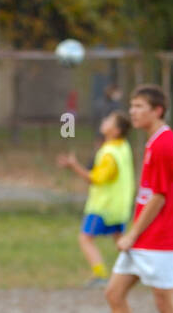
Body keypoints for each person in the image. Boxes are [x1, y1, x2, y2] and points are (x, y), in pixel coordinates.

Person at [94, 85, 173, 313]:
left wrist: (132, 233)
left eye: (139, 106)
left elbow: (159, 197)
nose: (132, 111)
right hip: (143, 239)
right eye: (131, 106)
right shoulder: (153, 141)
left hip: (159, 240)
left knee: (164, 304)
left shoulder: (164, 144)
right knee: (114, 293)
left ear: (157, 110)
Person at [56, 110, 134, 287]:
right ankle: (138, 269)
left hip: (104, 206)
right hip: (120, 206)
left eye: (109, 120)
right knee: (120, 239)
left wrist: (73, 165)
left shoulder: (109, 154)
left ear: (116, 131)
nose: (104, 121)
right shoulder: (123, 147)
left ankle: (99, 275)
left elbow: (95, 179)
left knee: (85, 238)